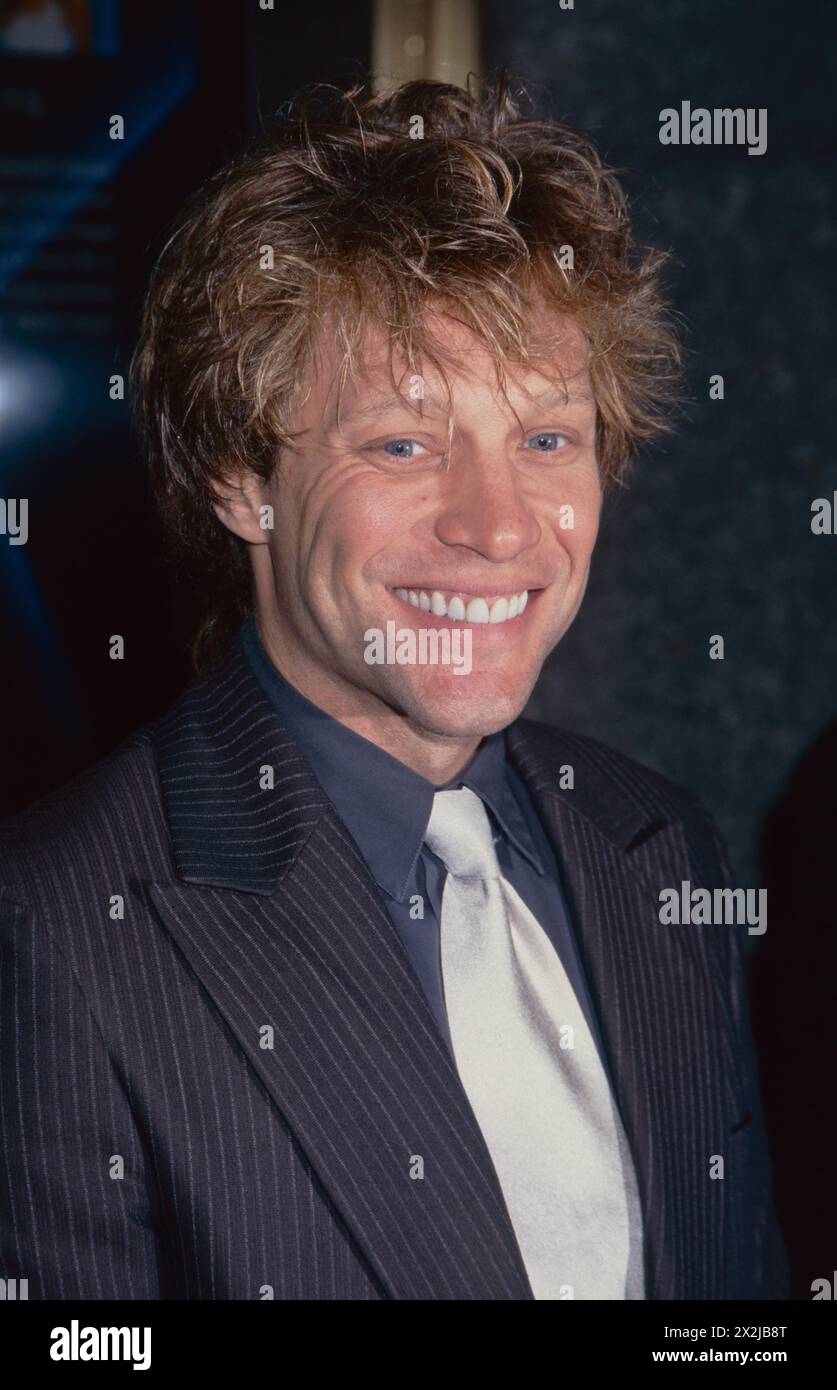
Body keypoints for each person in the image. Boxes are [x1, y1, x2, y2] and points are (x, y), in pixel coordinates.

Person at [0, 75, 788, 1300]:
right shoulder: (55, 929)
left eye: (546, 439)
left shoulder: (659, 846)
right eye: (405, 443)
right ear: (237, 476)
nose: (496, 526)